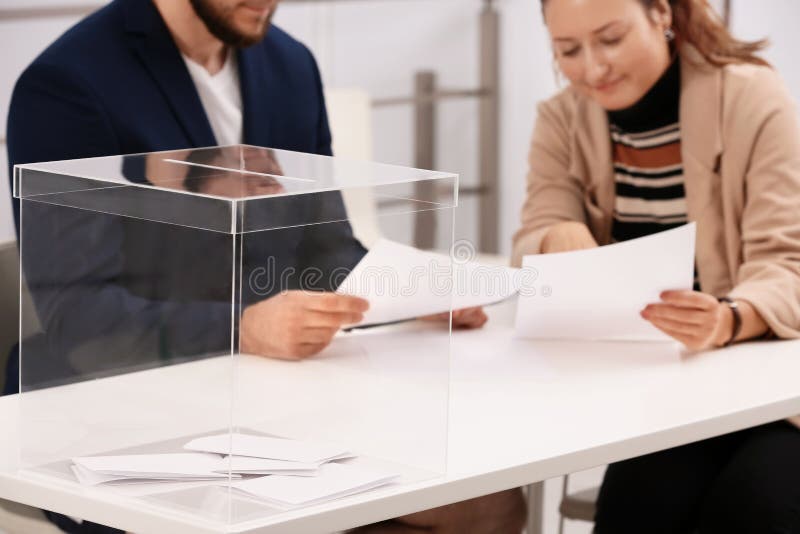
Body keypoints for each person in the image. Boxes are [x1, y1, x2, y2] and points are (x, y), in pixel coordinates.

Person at [6, 0, 523, 532]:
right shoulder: (67, 85)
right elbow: (80, 315)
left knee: (489, 501)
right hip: (116, 416)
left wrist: (410, 296)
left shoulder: (290, 65)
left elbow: (327, 251)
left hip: (276, 405)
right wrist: (243, 329)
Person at [513, 0, 800, 532]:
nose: (593, 68)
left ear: (661, 15)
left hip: (773, 392)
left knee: (755, 507)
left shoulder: (751, 98)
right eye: (568, 50)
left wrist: (730, 317)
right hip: (668, 397)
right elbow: (537, 222)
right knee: (636, 509)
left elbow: (788, 262)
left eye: (612, 39)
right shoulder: (561, 118)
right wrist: (557, 235)